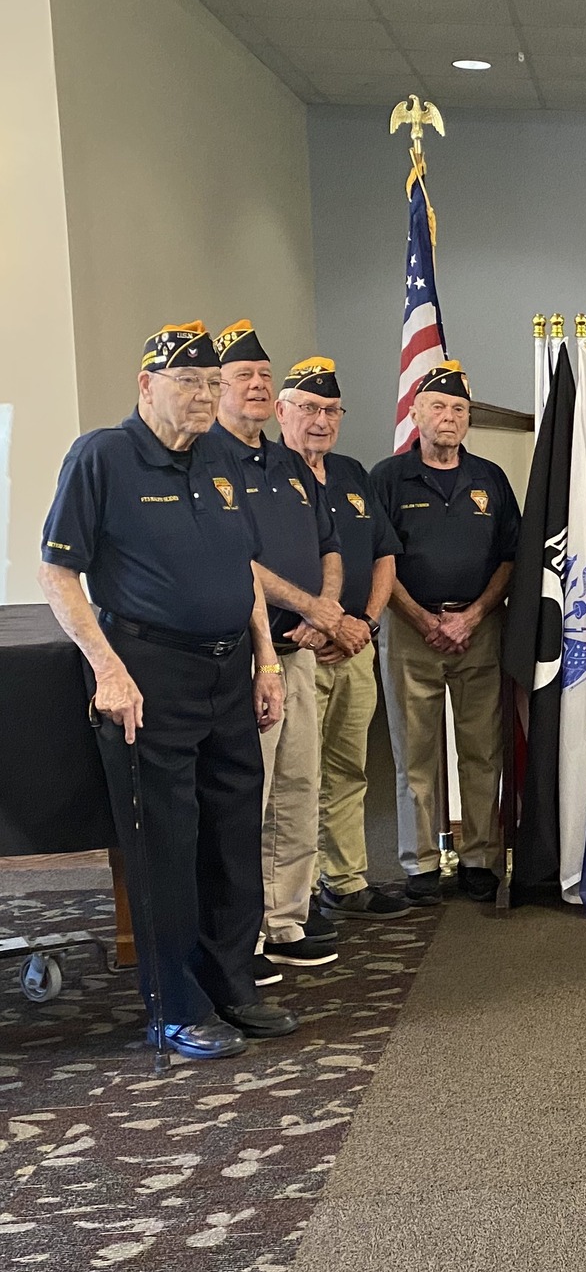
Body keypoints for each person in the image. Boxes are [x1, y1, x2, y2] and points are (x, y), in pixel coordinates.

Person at [38, 321, 293, 1060]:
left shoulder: (218, 455)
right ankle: (174, 1005)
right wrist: (108, 668)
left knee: (234, 831)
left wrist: (265, 659)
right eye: (189, 385)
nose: (206, 397)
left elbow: (243, 566)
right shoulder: (102, 457)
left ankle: (232, 984)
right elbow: (57, 572)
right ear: (146, 386)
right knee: (167, 844)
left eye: (213, 385)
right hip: (148, 673)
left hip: (225, 672)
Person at [204, 321, 346, 980]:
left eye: (265, 374)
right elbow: (239, 560)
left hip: (303, 652)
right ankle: (244, 937)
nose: (258, 385)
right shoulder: (208, 459)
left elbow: (330, 544)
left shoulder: (288, 461)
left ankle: (286, 922)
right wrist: (312, 604)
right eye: (244, 377)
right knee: (248, 799)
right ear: (219, 389)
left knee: (298, 789)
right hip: (247, 661)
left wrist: (328, 611)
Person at [370, 362, 521, 906]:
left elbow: (511, 556)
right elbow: (377, 560)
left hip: (478, 629)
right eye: (438, 406)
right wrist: (423, 619)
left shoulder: (490, 479)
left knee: (482, 749)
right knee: (415, 752)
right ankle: (421, 863)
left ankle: (481, 857)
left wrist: (474, 615)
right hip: (410, 630)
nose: (449, 417)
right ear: (415, 412)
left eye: (459, 409)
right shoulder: (386, 479)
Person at [274, 358, 409, 922]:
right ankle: (289, 899)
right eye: (308, 408)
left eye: (331, 410)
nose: (321, 420)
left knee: (349, 769)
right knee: (293, 780)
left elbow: (384, 553)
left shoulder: (353, 473)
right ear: (282, 410)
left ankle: (346, 880)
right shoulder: (267, 474)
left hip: (355, 645)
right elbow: (257, 561)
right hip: (294, 647)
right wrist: (320, 624)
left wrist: (367, 625)